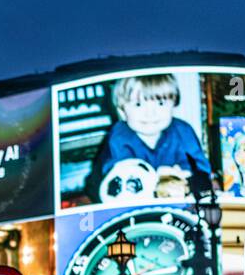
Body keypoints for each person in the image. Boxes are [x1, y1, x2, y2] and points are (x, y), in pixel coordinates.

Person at [85, 73, 210, 203]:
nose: (151, 113)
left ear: (173, 104)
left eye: (160, 103)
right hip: (125, 197)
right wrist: (157, 177)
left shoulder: (183, 131)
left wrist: (184, 173)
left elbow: (200, 168)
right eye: (138, 104)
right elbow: (118, 177)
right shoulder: (119, 138)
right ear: (122, 111)